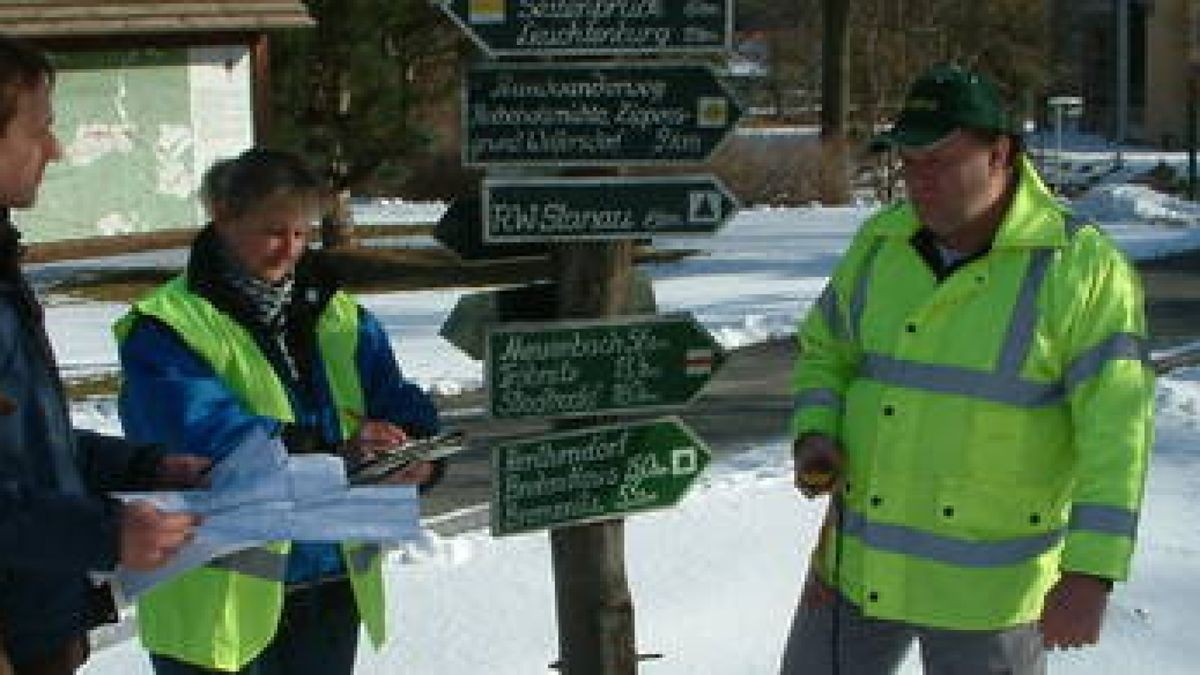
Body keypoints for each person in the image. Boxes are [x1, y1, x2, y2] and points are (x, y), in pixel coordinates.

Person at [780, 63, 1154, 674]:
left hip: (988, 597)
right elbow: (826, 354)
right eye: (908, 164)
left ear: (999, 153)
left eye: (939, 162)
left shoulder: (1079, 269)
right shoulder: (882, 245)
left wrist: (1091, 572)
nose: (919, 182)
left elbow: (1118, 434)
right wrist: (816, 431)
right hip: (857, 569)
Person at [116, 148, 444, 674]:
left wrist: (416, 452)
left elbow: (395, 397)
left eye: (301, 233)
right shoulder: (168, 324)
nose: (289, 250)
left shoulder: (338, 315)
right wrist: (336, 454)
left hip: (329, 583)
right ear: (224, 215)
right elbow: (206, 435)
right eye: (273, 232)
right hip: (218, 604)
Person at [0, 35, 204, 675]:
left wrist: (145, 466)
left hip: (40, 624)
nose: (55, 150)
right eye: (40, 130)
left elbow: (26, 446)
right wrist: (103, 532)